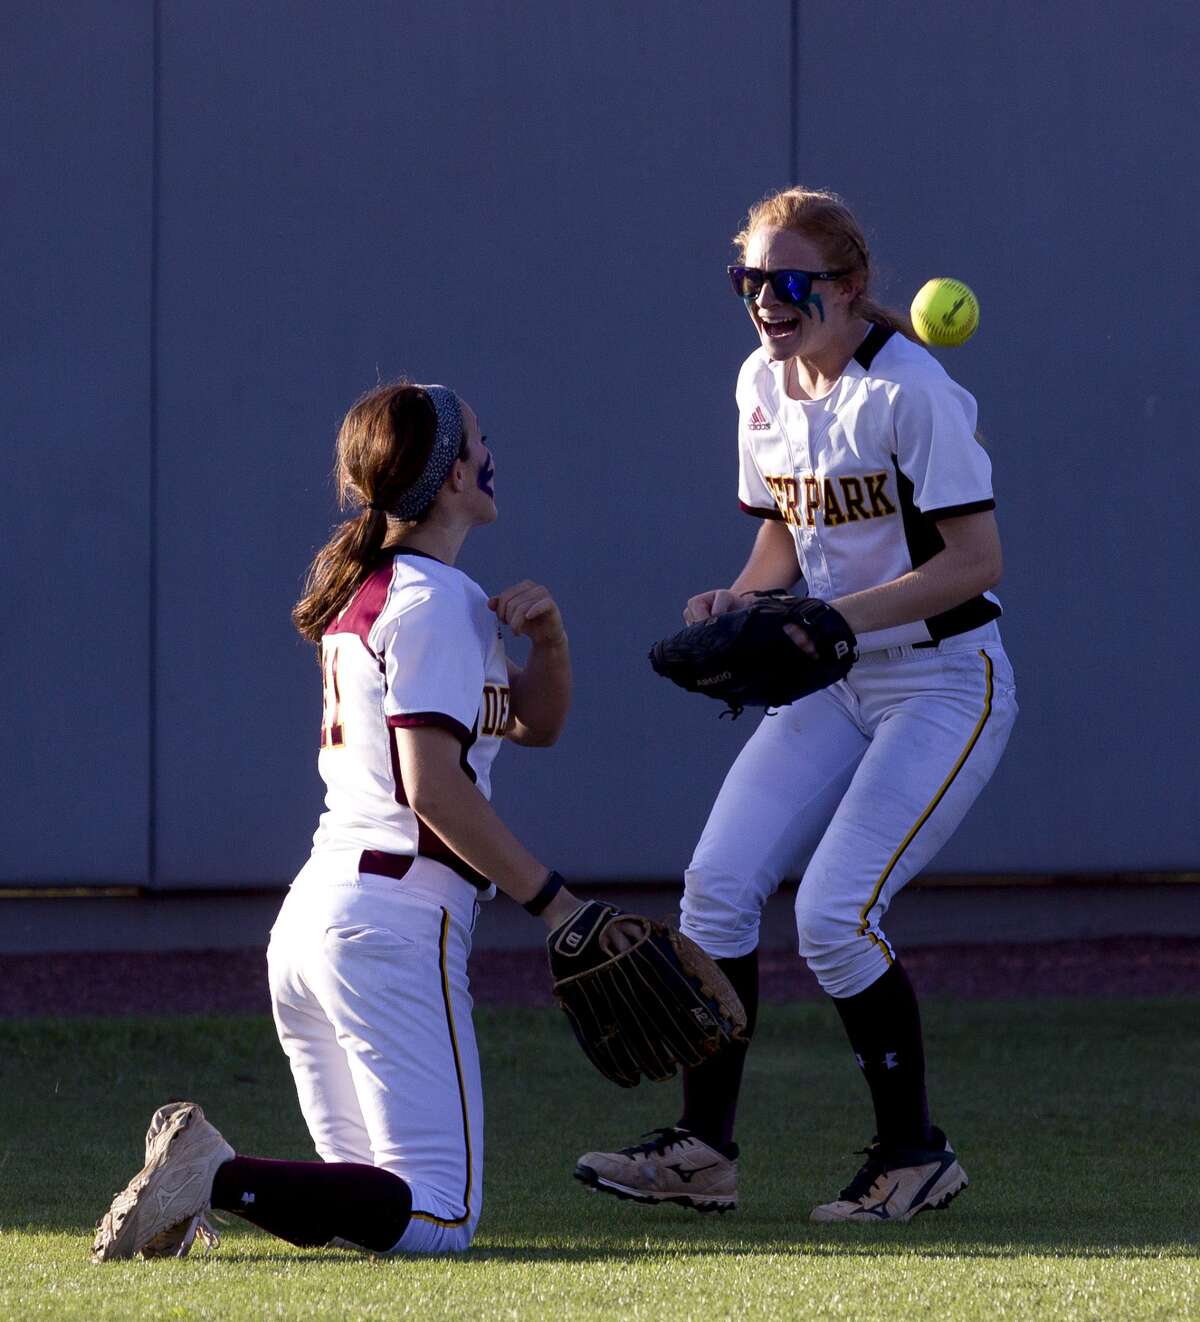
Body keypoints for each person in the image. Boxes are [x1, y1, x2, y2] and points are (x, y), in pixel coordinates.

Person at [574, 187, 1018, 1223]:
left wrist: (836, 618)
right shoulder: (760, 384)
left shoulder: (912, 393)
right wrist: (743, 594)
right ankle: (703, 1152)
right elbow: (785, 539)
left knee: (832, 914)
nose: (766, 303)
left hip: (945, 678)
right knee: (717, 885)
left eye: (788, 282)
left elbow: (979, 562)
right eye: (748, 282)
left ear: (851, 286)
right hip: (839, 670)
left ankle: (916, 1153)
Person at [93, 381, 608, 1260]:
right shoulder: (436, 599)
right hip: (394, 922)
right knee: (440, 1217)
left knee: (371, 1212)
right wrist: (557, 903)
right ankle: (212, 1177)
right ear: (446, 477)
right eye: (477, 443)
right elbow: (434, 791)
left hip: (316, 921)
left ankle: (204, 1184)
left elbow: (534, 723)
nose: (491, 459)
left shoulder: (395, 587)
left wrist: (551, 647)